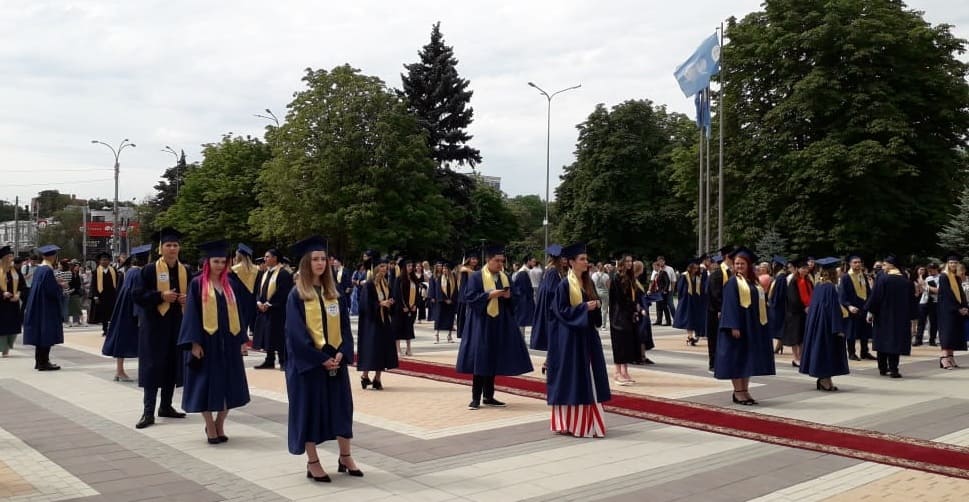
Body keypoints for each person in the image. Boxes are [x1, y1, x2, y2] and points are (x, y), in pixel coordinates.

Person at [283, 236, 362, 482]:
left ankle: (345, 456)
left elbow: (346, 329)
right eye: (315, 259)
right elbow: (295, 335)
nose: (320, 263)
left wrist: (343, 351)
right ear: (306, 263)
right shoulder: (297, 295)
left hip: (335, 362)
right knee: (310, 412)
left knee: (342, 408)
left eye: (323, 259)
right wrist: (319, 359)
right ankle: (313, 461)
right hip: (309, 366)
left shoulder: (334, 293)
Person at [178, 240, 250, 444]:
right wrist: (194, 343)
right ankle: (210, 425)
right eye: (216, 261)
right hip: (206, 344)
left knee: (230, 384)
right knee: (205, 385)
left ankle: (220, 423)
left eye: (222, 261)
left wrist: (241, 339)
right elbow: (191, 315)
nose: (219, 265)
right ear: (208, 262)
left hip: (228, 342)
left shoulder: (231, 285)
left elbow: (239, 314)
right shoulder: (197, 284)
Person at [456, 244, 534, 410]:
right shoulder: (477, 277)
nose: (500, 264)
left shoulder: (504, 277)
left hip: (500, 322)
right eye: (497, 261)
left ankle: (489, 396)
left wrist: (508, 295)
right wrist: (490, 295)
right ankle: (475, 397)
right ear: (488, 260)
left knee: (492, 357)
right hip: (481, 322)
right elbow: (470, 297)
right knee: (481, 357)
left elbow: (515, 297)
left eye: (502, 261)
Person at [547, 243, 610, 437]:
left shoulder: (588, 282)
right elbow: (560, 312)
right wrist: (584, 308)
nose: (586, 262)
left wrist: (596, 306)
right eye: (582, 259)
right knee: (573, 377)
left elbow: (592, 310)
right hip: (571, 339)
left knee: (590, 375)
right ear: (571, 262)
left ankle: (590, 422)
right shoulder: (564, 285)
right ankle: (573, 423)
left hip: (588, 335)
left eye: (586, 258)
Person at [133, 228, 190, 429]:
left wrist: (186, 298)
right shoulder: (149, 270)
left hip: (177, 324)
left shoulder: (185, 270)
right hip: (154, 327)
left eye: (175, 245)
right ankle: (148, 412)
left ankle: (166, 406)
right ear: (161, 248)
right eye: (168, 245)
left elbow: (194, 295)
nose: (172, 248)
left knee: (171, 366)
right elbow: (137, 295)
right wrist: (160, 296)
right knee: (152, 368)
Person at [714, 247, 775, 405]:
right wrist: (733, 326)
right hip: (738, 328)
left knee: (747, 360)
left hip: (751, 327)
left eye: (742, 263)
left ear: (748, 265)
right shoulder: (733, 283)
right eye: (737, 263)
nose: (739, 266)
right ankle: (738, 392)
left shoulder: (753, 283)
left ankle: (745, 390)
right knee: (737, 359)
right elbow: (729, 305)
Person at [102, 244, 151, 382]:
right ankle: (134, 371)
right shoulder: (138, 273)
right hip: (132, 311)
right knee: (142, 341)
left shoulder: (130, 271)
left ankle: (120, 370)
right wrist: (140, 314)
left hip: (123, 308)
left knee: (122, 339)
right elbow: (137, 295)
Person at [800, 257, 850, 391]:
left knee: (822, 350)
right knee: (826, 351)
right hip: (827, 325)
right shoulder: (829, 287)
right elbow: (832, 309)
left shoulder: (819, 285)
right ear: (833, 272)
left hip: (818, 324)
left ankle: (825, 379)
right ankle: (824, 379)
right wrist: (838, 327)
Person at [865, 255, 916, 377]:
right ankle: (894, 369)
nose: (883, 267)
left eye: (884, 265)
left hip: (883, 316)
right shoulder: (905, 281)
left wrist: (870, 311)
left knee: (882, 341)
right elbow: (911, 300)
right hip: (900, 317)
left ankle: (882, 368)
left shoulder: (883, 279)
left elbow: (875, 297)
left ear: (891, 265)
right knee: (895, 342)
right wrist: (912, 315)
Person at [357, 257, 397, 390]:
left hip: (384, 321)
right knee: (372, 349)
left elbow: (389, 299)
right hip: (372, 323)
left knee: (383, 350)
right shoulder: (369, 285)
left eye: (385, 266)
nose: (384, 269)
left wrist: (390, 302)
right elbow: (364, 305)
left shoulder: (386, 284)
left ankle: (378, 378)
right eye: (381, 266)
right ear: (375, 268)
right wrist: (380, 304)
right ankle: (364, 376)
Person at [23, 244, 64, 371]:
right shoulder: (47, 270)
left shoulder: (40, 269)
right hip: (46, 307)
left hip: (38, 305)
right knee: (46, 333)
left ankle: (39, 362)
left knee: (40, 334)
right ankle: (44, 362)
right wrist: (60, 286)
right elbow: (50, 291)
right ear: (52, 256)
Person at [253, 249, 294, 370]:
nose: (264, 259)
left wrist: (269, 304)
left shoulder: (283, 273)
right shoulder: (265, 273)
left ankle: (283, 361)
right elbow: (259, 290)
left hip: (277, 310)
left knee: (279, 336)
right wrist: (259, 301)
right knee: (267, 336)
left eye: (267, 257)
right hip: (264, 310)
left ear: (275, 258)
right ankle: (269, 360)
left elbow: (283, 292)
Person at [609, 255, 643, 385]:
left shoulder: (631, 277)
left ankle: (625, 371)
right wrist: (633, 306)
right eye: (627, 261)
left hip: (628, 315)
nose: (630, 263)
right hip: (619, 315)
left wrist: (636, 307)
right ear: (622, 262)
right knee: (619, 344)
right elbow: (620, 299)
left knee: (627, 344)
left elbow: (634, 295)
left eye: (631, 261)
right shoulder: (617, 277)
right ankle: (617, 372)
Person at [840, 253, 875, 361]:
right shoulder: (846, 277)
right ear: (850, 264)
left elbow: (868, 291)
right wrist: (848, 306)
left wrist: (869, 305)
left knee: (865, 331)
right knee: (851, 332)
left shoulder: (863, 275)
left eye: (859, 262)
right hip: (852, 308)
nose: (858, 264)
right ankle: (851, 353)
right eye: (855, 262)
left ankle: (864, 352)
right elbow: (842, 294)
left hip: (863, 307)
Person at [530, 245, 566, 352]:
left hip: (545, 303)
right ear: (558, 259)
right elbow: (552, 290)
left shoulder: (548, 270)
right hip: (550, 306)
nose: (564, 261)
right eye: (563, 258)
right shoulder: (553, 272)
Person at [706, 246, 735, 372]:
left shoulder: (731, 273)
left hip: (728, 311)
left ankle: (725, 361)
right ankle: (713, 362)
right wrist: (721, 309)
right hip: (716, 312)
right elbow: (715, 294)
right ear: (727, 257)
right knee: (715, 337)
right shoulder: (718, 274)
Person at [936, 253, 968, 369]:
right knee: (947, 333)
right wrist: (958, 308)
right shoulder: (943, 276)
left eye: (955, 262)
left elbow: (961, 293)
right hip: (947, 310)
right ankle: (944, 358)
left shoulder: (956, 277)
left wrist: (965, 307)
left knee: (953, 334)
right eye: (951, 262)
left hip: (956, 310)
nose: (953, 264)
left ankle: (950, 357)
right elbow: (948, 295)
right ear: (947, 264)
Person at [784, 257, 812, 367]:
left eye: (806, 268)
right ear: (797, 269)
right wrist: (803, 307)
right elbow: (792, 298)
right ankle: (796, 358)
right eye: (803, 268)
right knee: (795, 337)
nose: (805, 270)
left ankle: (801, 357)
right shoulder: (794, 281)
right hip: (795, 313)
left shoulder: (808, 281)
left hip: (806, 313)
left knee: (802, 337)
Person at [673, 259, 705, 345]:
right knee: (689, 319)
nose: (695, 270)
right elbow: (680, 289)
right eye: (694, 268)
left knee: (697, 318)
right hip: (687, 300)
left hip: (697, 300)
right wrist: (682, 299)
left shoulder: (699, 277)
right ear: (690, 268)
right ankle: (690, 337)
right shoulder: (684, 276)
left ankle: (695, 337)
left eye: (697, 268)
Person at [0, 246, 25, 357]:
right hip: (1, 304)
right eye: (9, 256)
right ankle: (4, 349)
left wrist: (18, 294)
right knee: (2, 328)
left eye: (12, 256)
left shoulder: (15, 271)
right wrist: (2, 293)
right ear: (3, 258)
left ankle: (8, 347)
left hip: (13, 304)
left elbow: (22, 286)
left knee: (13, 328)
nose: (11, 258)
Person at [229, 243, 259, 336]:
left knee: (238, 320)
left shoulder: (234, 269)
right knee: (247, 319)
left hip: (239, 297)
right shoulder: (256, 269)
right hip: (252, 298)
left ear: (239, 256)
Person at [392, 258, 419, 356]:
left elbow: (417, 294)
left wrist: (415, 304)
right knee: (398, 328)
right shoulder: (399, 279)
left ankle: (408, 348)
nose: (411, 268)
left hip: (411, 308)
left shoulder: (414, 279)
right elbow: (397, 294)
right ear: (404, 267)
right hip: (400, 308)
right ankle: (398, 349)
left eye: (412, 266)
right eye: (409, 266)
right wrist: (403, 306)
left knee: (409, 328)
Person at [89, 252, 119, 336]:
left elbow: (117, 283)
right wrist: (95, 296)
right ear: (99, 261)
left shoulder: (114, 271)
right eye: (102, 260)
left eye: (106, 260)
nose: (104, 261)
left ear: (109, 261)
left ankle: (113, 329)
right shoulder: (96, 272)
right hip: (101, 296)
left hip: (112, 295)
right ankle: (105, 329)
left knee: (113, 313)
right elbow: (93, 284)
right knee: (103, 314)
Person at [767, 256, 789, 355]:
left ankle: (779, 345)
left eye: (773, 264)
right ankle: (778, 346)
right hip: (775, 305)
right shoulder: (778, 276)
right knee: (776, 326)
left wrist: (773, 303)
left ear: (776, 265)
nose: (772, 265)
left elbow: (779, 294)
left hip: (777, 307)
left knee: (777, 326)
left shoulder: (781, 277)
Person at [914, 264, 940, 346]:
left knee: (933, 322)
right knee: (921, 322)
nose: (930, 271)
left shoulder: (940, 278)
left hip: (934, 302)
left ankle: (932, 340)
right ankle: (918, 339)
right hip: (924, 301)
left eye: (932, 269)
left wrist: (926, 286)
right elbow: (923, 289)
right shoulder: (928, 278)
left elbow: (937, 291)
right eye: (929, 269)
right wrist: (921, 284)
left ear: (936, 269)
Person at [455, 253, 480, 338]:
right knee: (462, 315)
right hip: (464, 294)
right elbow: (461, 269)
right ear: (469, 259)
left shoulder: (478, 269)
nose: (474, 261)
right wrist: (474, 272)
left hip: (474, 294)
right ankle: (461, 333)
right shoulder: (463, 268)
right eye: (473, 259)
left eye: (476, 259)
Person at [433, 261, 458, 343]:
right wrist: (444, 299)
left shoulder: (453, 278)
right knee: (439, 318)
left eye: (446, 268)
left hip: (451, 302)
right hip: (442, 302)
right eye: (443, 268)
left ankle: (449, 336)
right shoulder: (440, 278)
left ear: (449, 270)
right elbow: (438, 290)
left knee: (450, 319)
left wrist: (452, 299)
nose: (444, 270)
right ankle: (437, 335)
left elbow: (455, 291)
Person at [512, 256, 536, 337]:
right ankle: (520, 337)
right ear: (528, 261)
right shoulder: (523, 272)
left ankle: (520, 337)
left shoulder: (525, 271)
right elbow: (525, 287)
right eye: (532, 261)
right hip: (523, 299)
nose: (534, 263)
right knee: (521, 319)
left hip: (523, 298)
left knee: (522, 319)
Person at [651, 261, 673, 326]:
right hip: (657, 292)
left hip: (662, 292)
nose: (653, 268)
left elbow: (667, 282)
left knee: (664, 307)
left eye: (654, 267)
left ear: (658, 266)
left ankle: (668, 321)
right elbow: (654, 283)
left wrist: (665, 290)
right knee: (658, 307)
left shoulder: (663, 273)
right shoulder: (656, 274)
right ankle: (659, 320)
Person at [594, 262, 611, 326]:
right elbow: (608, 286)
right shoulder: (606, 276)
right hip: (604, 293)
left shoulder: (593, 275)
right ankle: (603, 325)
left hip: (596, 293)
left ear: (596, 267)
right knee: (604, 309)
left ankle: (596, 323)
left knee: (596, 308)